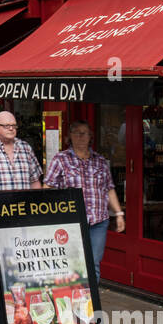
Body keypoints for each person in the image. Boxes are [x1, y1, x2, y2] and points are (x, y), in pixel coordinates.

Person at [43, 120, 124, 283]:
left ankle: (91, 304)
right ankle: (74, 301)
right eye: (76, 133)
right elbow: (48, 188)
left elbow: (109, 188)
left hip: (98, 222)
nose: (81, 136)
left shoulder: (100, 161)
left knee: (93, 263)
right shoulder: (61, 159)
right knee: (72, 263)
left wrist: (119, 213)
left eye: (84, 133)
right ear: (70, 137)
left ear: (90, 137)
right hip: (70, 221)